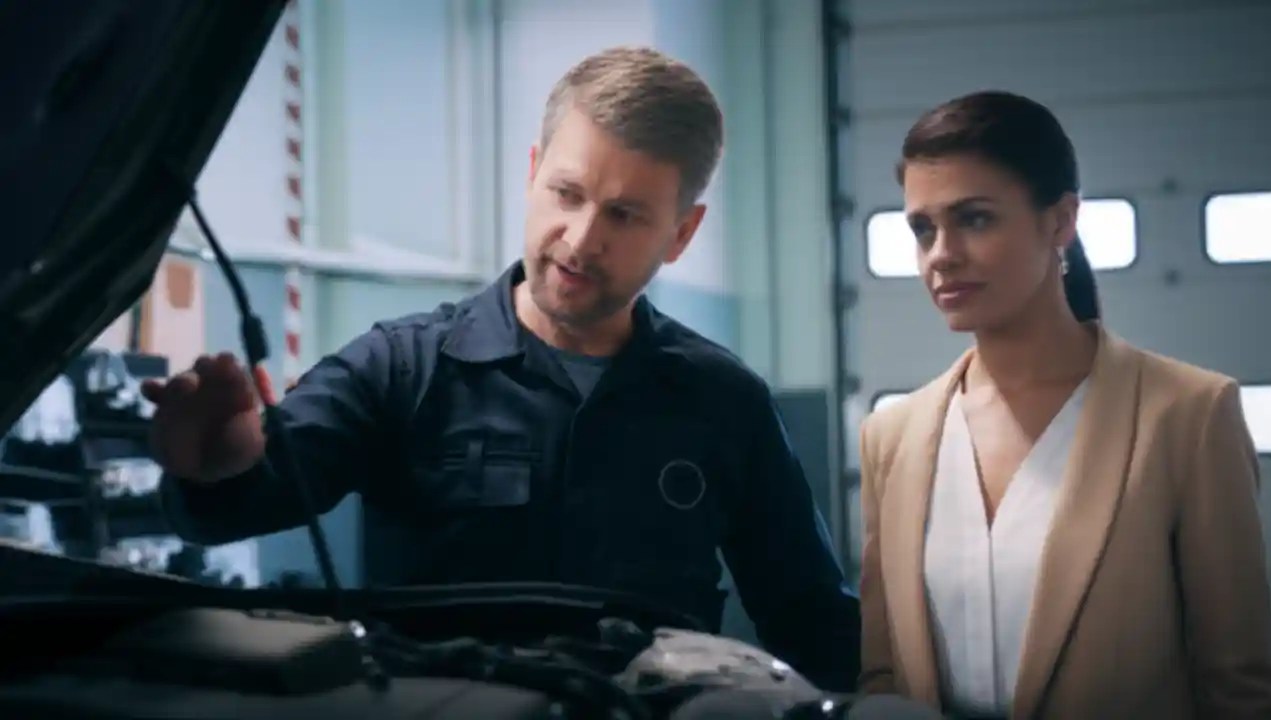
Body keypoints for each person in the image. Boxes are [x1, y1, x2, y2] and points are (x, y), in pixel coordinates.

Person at [141, 46, 861, 692]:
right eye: (567, 194)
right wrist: (217, 466)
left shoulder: (723, 402)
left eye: (625, 215)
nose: (581, 240)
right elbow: (251, 497)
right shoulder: (400, 367)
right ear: (531, 172)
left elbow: (813, 622)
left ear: (681, 233)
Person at [856, 90, 1271, 718]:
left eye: (974, 218)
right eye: (923, 228)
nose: (941, 254)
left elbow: (1238, 688)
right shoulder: (890, 438)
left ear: (1059, 222)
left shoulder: (1186, 415)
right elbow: (883, 676)